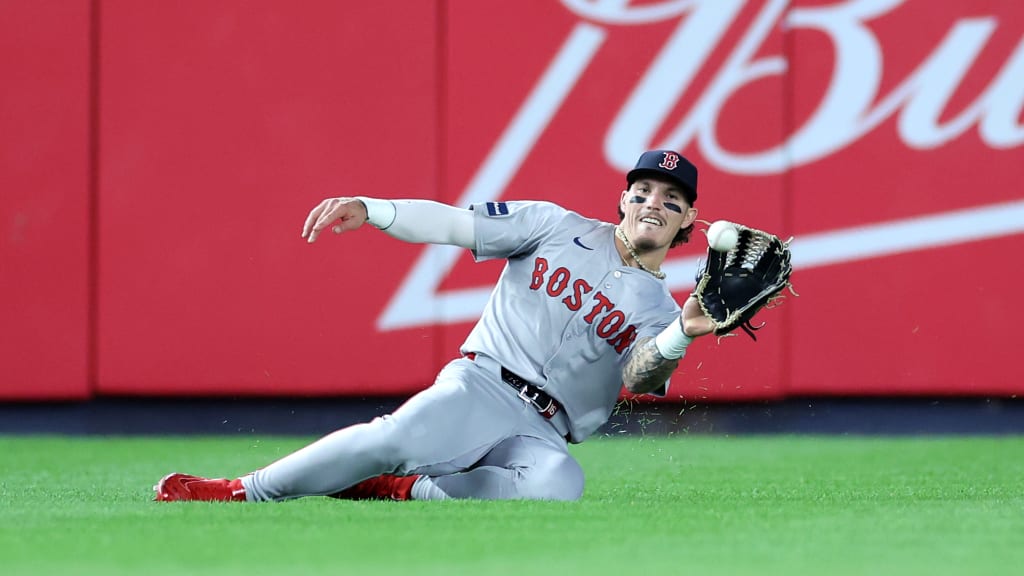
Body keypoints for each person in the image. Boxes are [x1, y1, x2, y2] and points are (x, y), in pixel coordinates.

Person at [154, 149, 715, 502]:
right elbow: (455, 222)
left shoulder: (662, 309)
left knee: (558, 486)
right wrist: (374, 209)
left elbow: (641, 377)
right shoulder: (553, 226)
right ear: (623, 198)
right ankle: (239, 490)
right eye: (642, 191)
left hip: (544, 432)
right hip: (482, 385)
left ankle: (408, 489)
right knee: (392, 437)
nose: (652, 202)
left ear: (688, 218)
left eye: (671, 199)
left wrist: (683, 330)